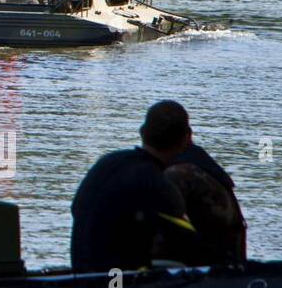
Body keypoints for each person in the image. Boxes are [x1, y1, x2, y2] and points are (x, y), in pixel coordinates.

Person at [70, 101, 201, 273]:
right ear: (187, 138)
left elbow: (76, 209)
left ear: (142, 132)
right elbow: (190, 246)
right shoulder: (158, 185)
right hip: (114, 285)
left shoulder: (107, 162)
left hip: (81, 274)